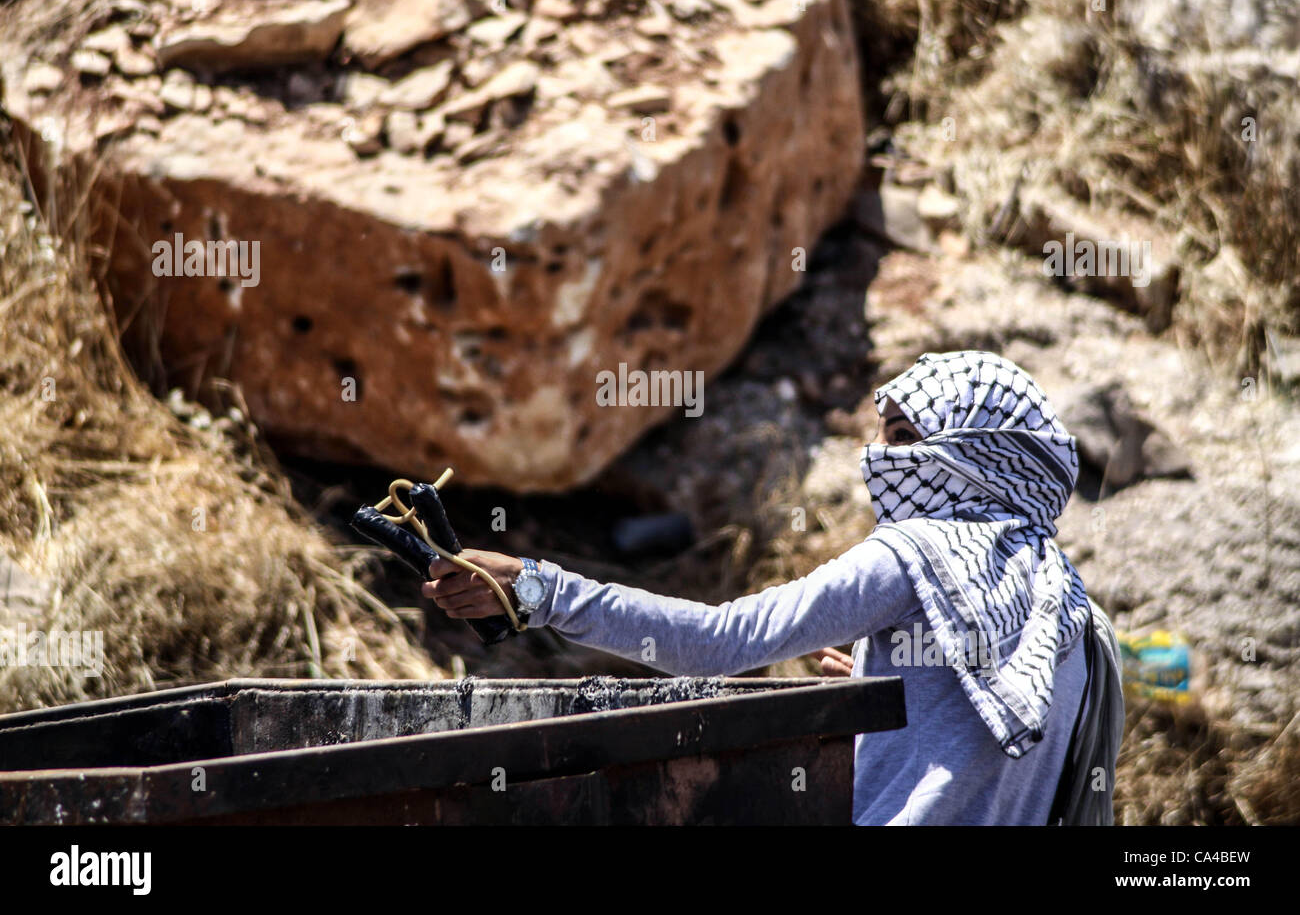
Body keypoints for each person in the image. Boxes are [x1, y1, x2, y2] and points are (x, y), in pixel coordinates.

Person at [423, 350, 1123, 824]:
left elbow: (719, 640)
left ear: (971, 453)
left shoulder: (919, 554)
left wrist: (541, 590)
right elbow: (991, 734)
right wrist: (895, 683)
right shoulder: (1064, 603)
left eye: (905, 437)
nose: (880, 459)